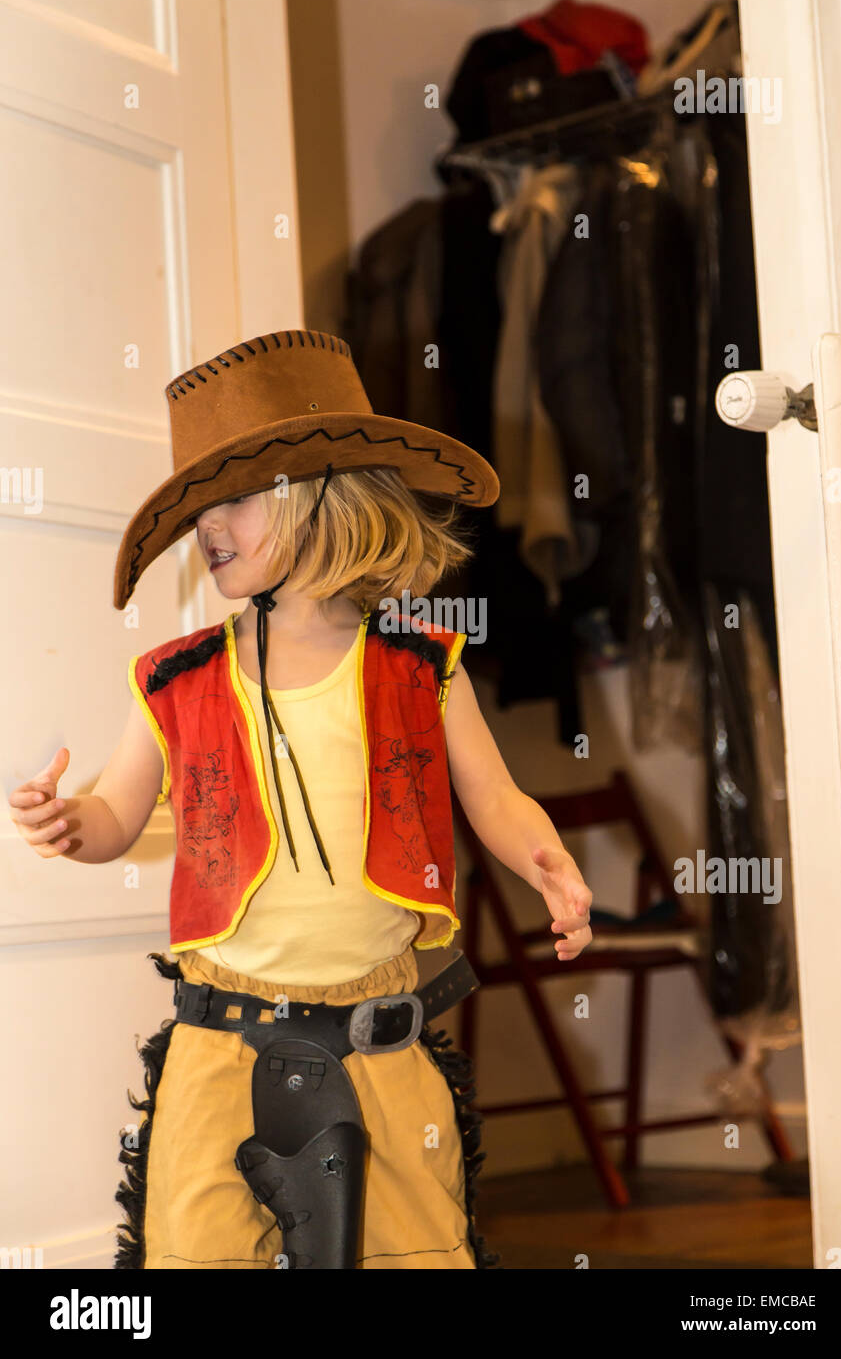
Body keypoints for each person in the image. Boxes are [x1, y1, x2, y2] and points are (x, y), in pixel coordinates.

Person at [9, 328, 593, 1270]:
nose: (208, 525)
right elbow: (115, 815)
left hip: (381, 1041)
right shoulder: (174, 680)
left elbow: (496, 797)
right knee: (193, 1255)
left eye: (235, 497)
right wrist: (69, 823)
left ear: (326, 492)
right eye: (199, 507)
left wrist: (546, 859)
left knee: (419, 1254)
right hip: (217, 1040)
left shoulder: (423, 667)